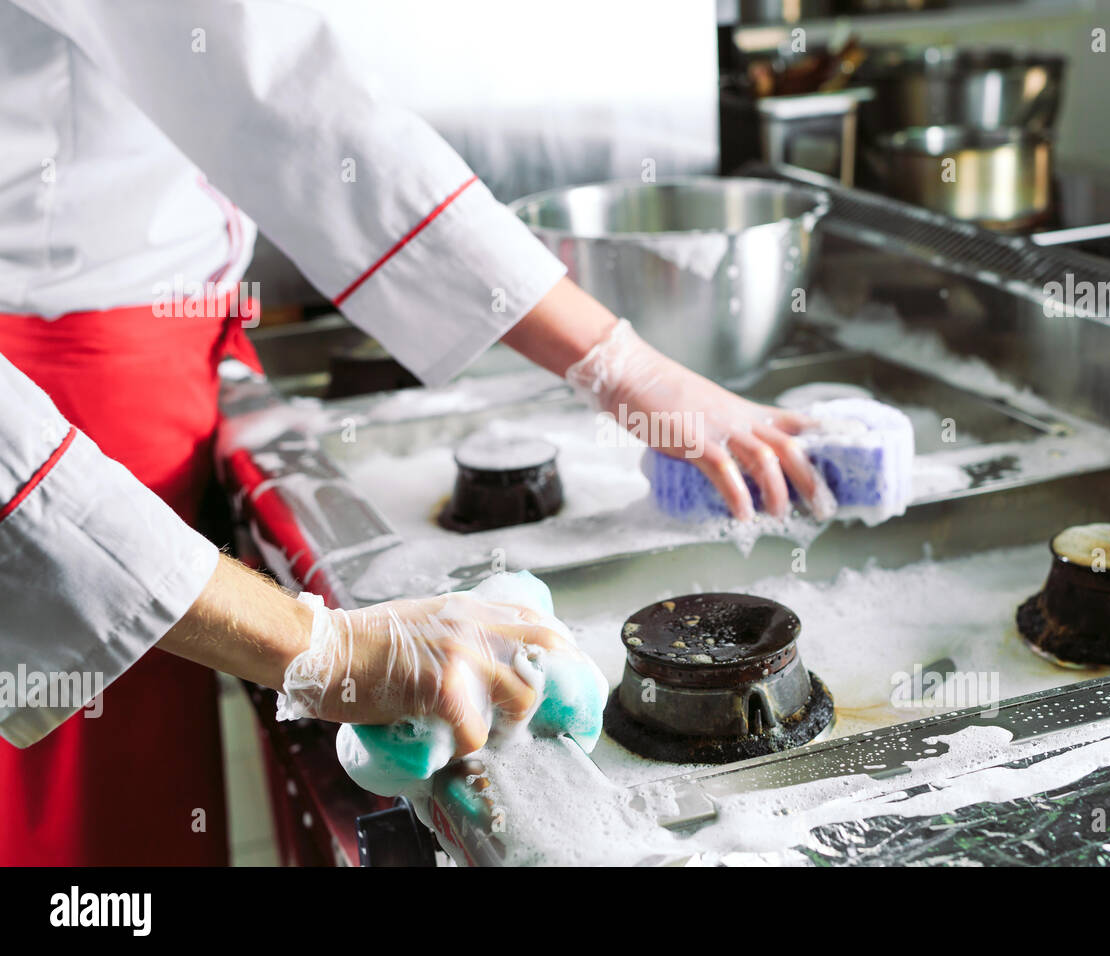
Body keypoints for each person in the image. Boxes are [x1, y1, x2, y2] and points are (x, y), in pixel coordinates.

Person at [0, 0, 830, 865]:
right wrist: (325, 650)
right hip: (56, 389)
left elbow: (266, 96)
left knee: (150, 783)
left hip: (161, 347)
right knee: (93, 821)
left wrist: (621, 366)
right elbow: (284, 98)